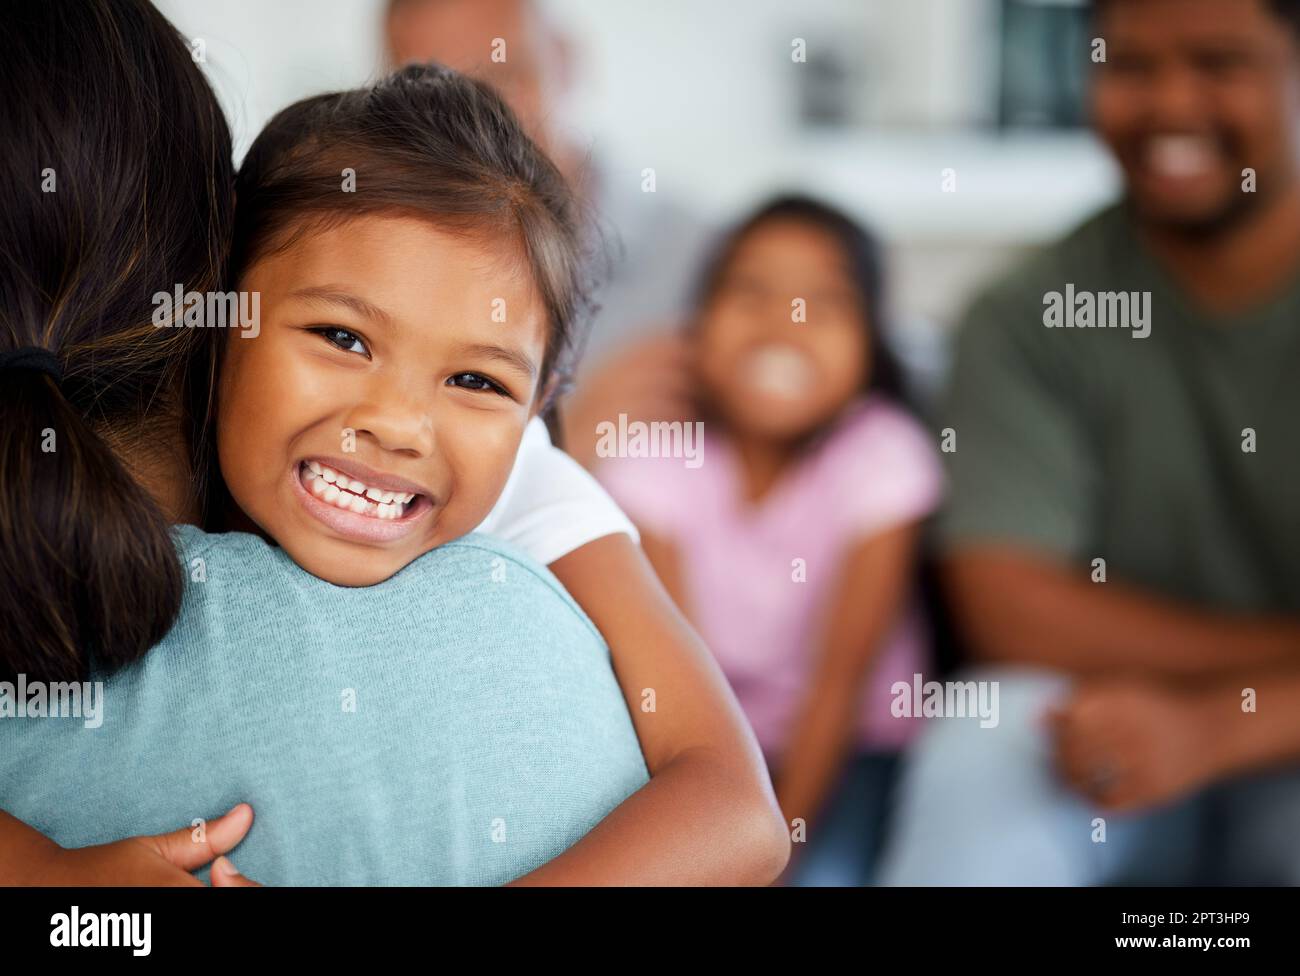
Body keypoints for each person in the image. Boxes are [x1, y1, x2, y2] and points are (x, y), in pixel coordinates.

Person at [0, 0, 788, 886]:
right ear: (218, 319)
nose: (399, 423)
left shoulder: (529, 484)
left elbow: (738, 812)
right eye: (342, 338)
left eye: (479, 382)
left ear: (537, 406)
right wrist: (38, 867)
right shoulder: (100, 445)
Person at [879, 0, 1300, 885]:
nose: (1171, 103)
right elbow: (1010, 606)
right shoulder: (1027, 314)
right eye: (1131, 66)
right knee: (984, 742)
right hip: (1107, 722)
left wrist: (1223, 723)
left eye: (1220, 62)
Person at [598, 196, 944, 885]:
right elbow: (684, 687)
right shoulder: (656, 460)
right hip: (707, 739)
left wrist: (775, 854)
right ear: (696, 329)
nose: (784, 323)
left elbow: (839, 686)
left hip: (850, 748)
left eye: (825, 302)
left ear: (870, 345)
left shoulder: (882, 457)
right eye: (751, 292)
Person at [384, 0, 714, 467]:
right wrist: (565, 448)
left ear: (566, 60)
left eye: (505, 75)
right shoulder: (383, 267)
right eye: (437, 94)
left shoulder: (704, 255)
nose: (481, 117)